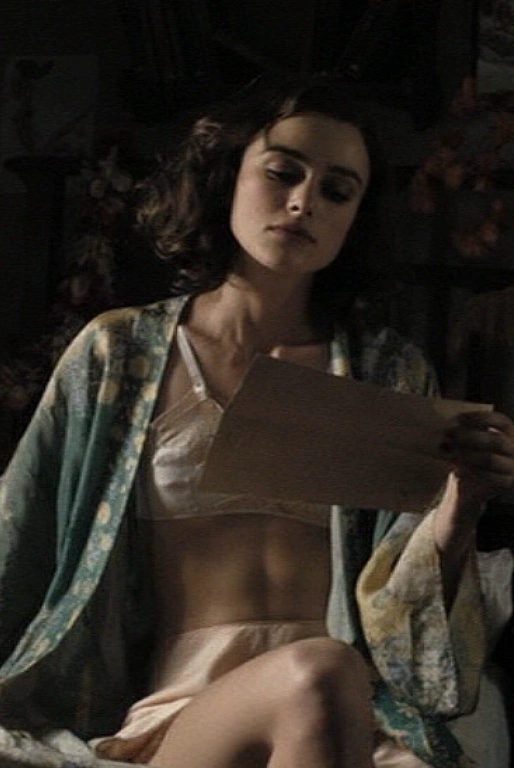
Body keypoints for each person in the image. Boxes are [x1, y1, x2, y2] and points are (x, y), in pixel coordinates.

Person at [1, 74, 514, 768]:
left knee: (329, 676)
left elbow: (411, 626)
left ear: (354, 220)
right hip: (185, 715)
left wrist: (460, 506)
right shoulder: (118, 354)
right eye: (282, 173)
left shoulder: (386, 373)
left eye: (338, 190)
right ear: (227, 179)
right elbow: (19, 539)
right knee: (316, 672)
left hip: (355, 712)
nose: (304, 201)